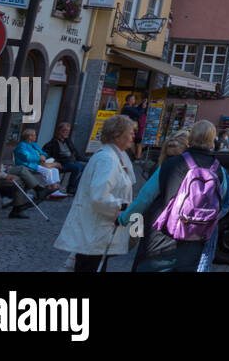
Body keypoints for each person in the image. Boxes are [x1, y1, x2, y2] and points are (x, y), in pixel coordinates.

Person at [131, 120, 226, 272]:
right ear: (212, 140)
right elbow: (222, 204)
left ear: (191, 137)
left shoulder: (173, 163)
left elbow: (146, 198)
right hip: (195, 239)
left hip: (162, 239)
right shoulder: (218, 170)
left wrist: (126, 221)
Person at [54, 114, 137, 272]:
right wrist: (124, 206)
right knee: (90, 266)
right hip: (95, 231)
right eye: (130, 132)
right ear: (117, 135)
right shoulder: (107, 159)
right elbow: (99, 196)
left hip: (99, 231)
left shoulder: (116, 157)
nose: (133, 136)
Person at [13, 128, 66, 197]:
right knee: (47, 171)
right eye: (34, 135)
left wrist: (43, 156)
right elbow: (27, 157)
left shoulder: (34, 144)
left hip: (36, 163)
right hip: (27, 164)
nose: (35, 137)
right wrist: (39, 158)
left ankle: (54, 189)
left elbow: (43, 153)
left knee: (55, 170)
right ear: (29, 136)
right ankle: (50, 190)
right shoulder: (22, 146)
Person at [42, 122, 87, 195]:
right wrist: (55, 162)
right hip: (62, 163)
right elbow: (46, 155)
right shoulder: (52, 143)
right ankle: (70, 188)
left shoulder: (68, 142)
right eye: (64, 131)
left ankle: (75, 186)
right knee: (76, 167)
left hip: (71, 161)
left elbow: (77, 155)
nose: (66, 133)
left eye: (68, 131)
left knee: (86, 167)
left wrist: (89, 160)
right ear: (59, 131)